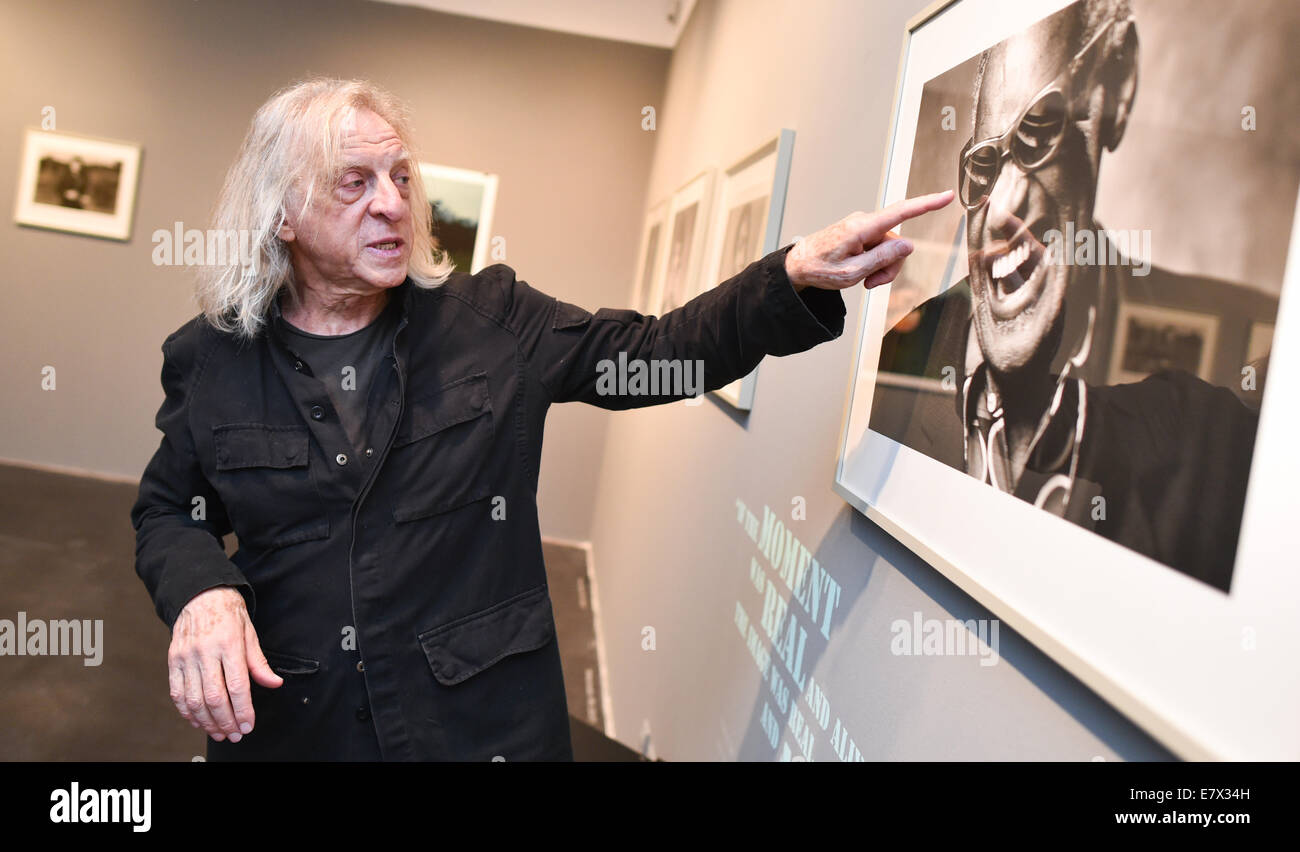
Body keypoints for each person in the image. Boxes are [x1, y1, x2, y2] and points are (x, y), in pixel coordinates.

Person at [130, 76, 952, 760]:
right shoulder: (212, 360)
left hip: (479, 724)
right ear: (282, 212)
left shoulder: (493, 322)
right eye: (355, 182)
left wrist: (794, 277)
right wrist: (203, 590)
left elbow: (658, 351)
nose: (393, 205)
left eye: (403, 178)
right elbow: (169, 509)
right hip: (297, 727)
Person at [874, 0, 1263, 592]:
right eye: (983, 167)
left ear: (1117, 86)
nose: (1000, 208)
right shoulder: (898, 364)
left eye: (1038, 130)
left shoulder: (1228, 402)